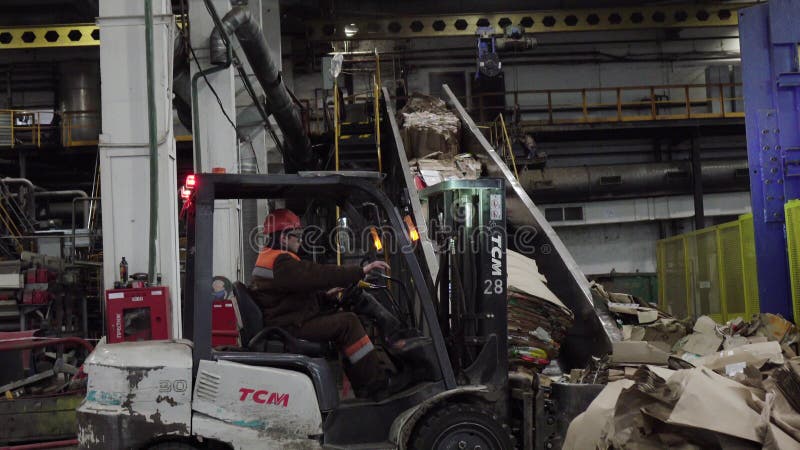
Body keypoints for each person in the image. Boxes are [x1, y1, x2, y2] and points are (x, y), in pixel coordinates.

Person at [249, 208, 410, 397]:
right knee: (348, 323)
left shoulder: (270, 258)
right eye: (297, 235)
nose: (300, 240)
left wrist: (325, 298)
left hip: (289, 320)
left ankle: (364, 383)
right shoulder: (280, 262)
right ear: (284, 237)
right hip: (290, 326)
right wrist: (359, 271)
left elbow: (292, 295)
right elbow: (317, 274)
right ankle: (377, 384)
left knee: (343, 320)